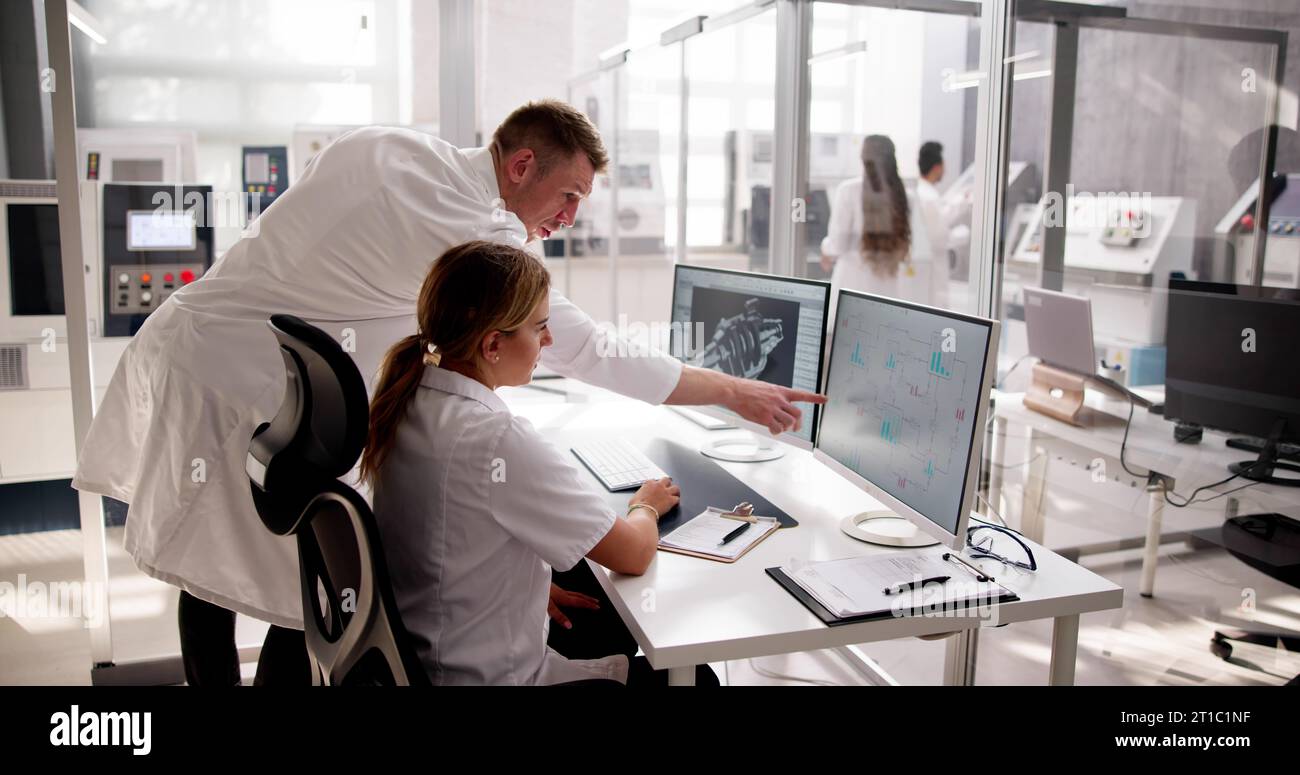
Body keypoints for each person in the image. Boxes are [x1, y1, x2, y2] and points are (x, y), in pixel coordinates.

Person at [72, 100, 823, 684]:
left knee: (226, 574)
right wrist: (730, 391)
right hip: (227, 372)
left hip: (204, 338)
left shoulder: (394, 145)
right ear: (522, 164)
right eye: (567, 196)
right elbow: (592, 347)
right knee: (246, 579)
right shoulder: (477, 237)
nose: (566, 221)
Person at [360, 240, 716, 685]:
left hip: (429, 648)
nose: (549, 340)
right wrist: (646, 504)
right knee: (697, 677)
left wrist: (513, 586)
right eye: (540, 327)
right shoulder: (497, 439)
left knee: (594, 599)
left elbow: (440, 529)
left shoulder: (409, 398)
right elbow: (634, 554)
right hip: (487, 675)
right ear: (493, 344)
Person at [820, 135, 948, 310]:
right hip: (887, 291)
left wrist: (825, 247)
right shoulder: (905, 196)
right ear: (892, 159)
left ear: (863, 159)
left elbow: (838, 245)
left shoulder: (848, 191)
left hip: (849, 290)